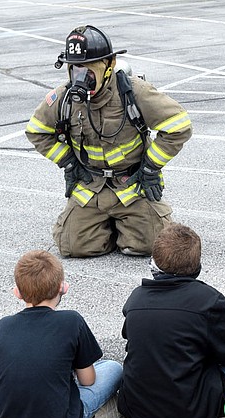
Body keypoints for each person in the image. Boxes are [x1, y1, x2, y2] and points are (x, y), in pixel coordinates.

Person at [25, 25, 192, 258]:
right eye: (75, 69)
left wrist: (151, 167)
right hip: (90, 186)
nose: (81, 77)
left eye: (88, 69)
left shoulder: (134, 92)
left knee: (152, 246)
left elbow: (179, 126)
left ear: (109, 64)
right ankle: (110, 227)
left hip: (130, 184)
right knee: (72, 247)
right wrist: (68, 162)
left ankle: (127, 223)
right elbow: (36, 131)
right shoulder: (64, 98)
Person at [118, 223, 225, 418]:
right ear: (196, 267)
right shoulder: (208, 300)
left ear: (154, 262)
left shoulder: (135, 299)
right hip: (193, 409)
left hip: (137, 411)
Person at [0, 250, 123, 418]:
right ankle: (97, 414)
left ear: (17, 292)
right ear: (62, 287)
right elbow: (88, 380)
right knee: (113, 368)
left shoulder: (3, 325)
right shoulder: (72, 321)